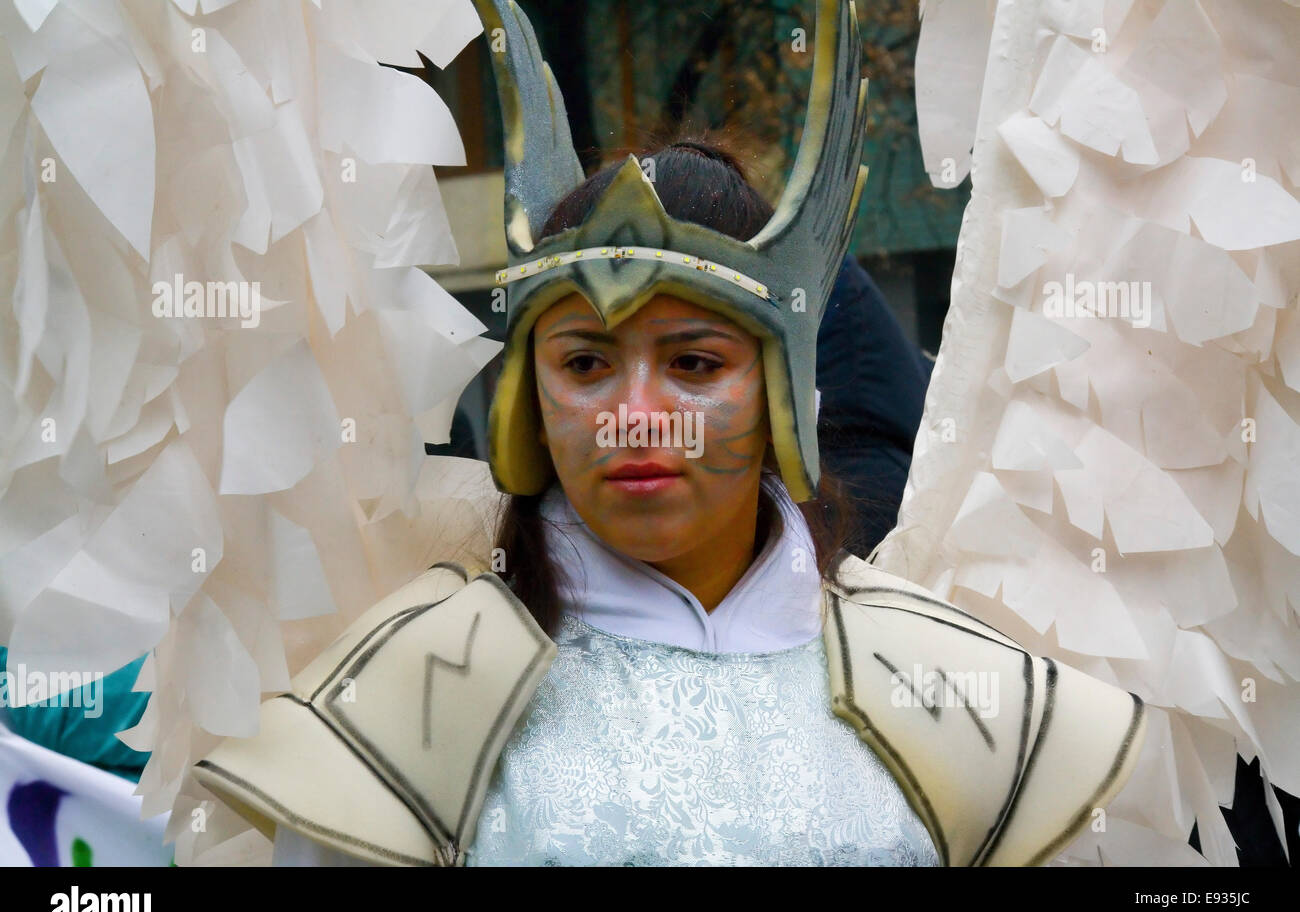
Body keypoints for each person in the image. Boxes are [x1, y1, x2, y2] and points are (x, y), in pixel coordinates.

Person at [192, 0, 1145, 867]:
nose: (635, 414)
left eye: (693, 364)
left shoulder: (953, 691)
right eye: (585, 365)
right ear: (529, 397)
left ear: (780, 394)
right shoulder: (409, 700)